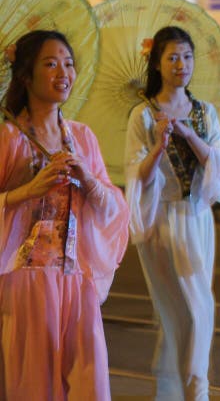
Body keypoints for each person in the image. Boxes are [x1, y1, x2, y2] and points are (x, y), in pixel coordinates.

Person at [0, 30, 129, 399]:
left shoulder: (82, 138)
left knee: (87, 383)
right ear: (26, 76)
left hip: (75, 279)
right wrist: (28, 190)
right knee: (33, 383)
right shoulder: (9, 138)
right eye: (51, 64)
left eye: (69, 64)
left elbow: (114, 211)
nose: (63, 73)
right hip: (25, 283)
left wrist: (88, 178)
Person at [125, 26, 220, 400]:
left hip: (197, 218)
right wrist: (158, 146)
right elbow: (136, 176)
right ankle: (194, 391)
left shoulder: (204, 113)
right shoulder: (142, 115)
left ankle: (182, 389)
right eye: (172, 57)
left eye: (187, 56)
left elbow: (219, 169)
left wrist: (188, 135)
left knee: (199, 307)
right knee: (180, 312)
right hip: (162, 222)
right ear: (157, 63)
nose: (181, 64)